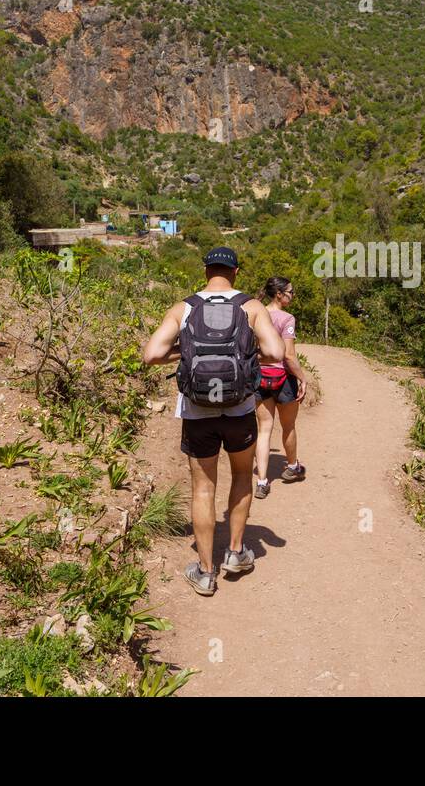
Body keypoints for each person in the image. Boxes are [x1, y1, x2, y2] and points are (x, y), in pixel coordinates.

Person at [141, 247, 285, 597]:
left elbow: (151, 354)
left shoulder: (184, 307)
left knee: (203, 489)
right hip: (240, 410)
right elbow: (276, 353)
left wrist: (188, 351)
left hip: (197, 412)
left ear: (206, 271)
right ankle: (236, 552)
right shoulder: (250, 307)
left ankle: (205, 572)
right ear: (235, 272)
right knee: (240, 475)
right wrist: (243, 354)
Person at [253, 277, 312, 499]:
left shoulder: (257, 314)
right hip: (284, 379)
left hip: (260, 376)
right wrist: (302, 378)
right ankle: (292, 466)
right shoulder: (287, 318)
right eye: (291, 292)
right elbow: (288, 356)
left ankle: (261, 481)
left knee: (264, 430)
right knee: (288, 426)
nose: (293, 295)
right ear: (279, 294)